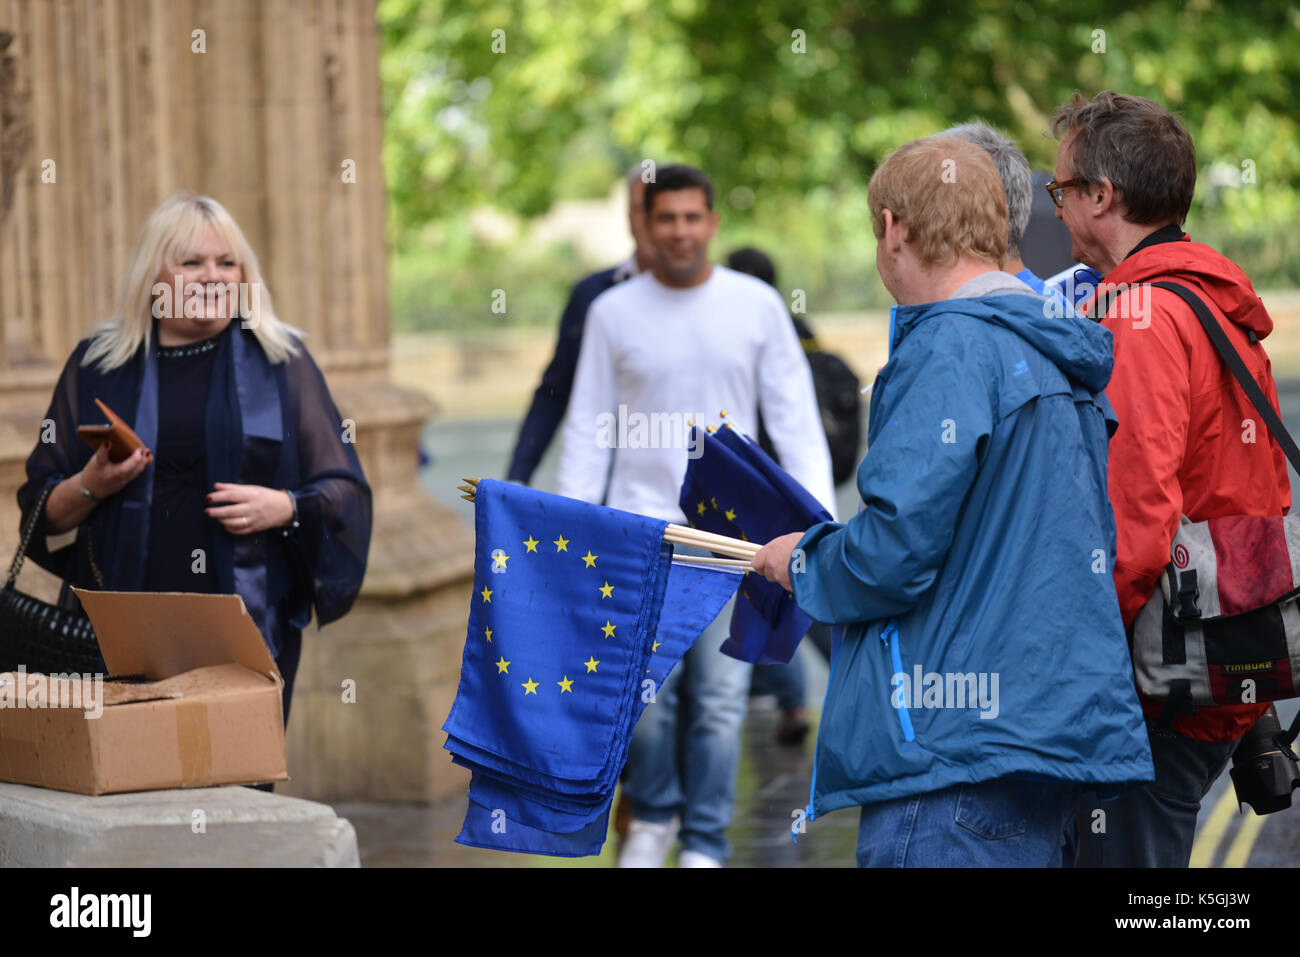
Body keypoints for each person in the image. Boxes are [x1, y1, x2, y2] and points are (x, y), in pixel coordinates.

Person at [752, 136, 1153, 867]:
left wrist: (800, 560)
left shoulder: (949, 347)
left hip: (949, 749)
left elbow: (894, 552)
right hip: (1043, 735)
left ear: (892, 228)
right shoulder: (1055, 346)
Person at [556, 164, 835, 866]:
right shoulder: (611, 312)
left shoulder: (756, 304)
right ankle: (652, 815)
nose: (679, 230)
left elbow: (794, 417)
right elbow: (589, 426)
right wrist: (570, 528)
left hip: (729, 543)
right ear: (643, 226)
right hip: (636, 538)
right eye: (665, 218)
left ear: (711, 222)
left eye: (691, 217)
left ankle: (705, 843)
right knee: (643, 700)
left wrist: (817, 522)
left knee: (717, 701)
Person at [17, 191, 372, 732]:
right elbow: (42, 511)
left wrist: (284, 506)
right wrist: (91, 484)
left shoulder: (281, 361)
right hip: (120, 631)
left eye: (226, 262)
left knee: (237, 783)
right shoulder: (98, 364)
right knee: (130, 784)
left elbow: (345, 488)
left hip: (244, 627)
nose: (213, 276)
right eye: (191, 262)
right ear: (153, 275)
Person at [1048, 91, 1291, 867]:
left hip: (1151, 683)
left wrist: (1065, 659)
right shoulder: (1213, 298)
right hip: (1219, 654)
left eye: (1060, 191)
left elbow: (1134, 524)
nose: (1054, 212)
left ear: (1101, 195)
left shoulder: (1141, 315)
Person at [506, 166, 657, 485]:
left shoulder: (721, 302)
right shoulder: (593, 296)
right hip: (605, 484)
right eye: (642, 209)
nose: (651, 222)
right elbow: (555, 389)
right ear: (629, 216)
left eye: (663, 212)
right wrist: (518, 477)